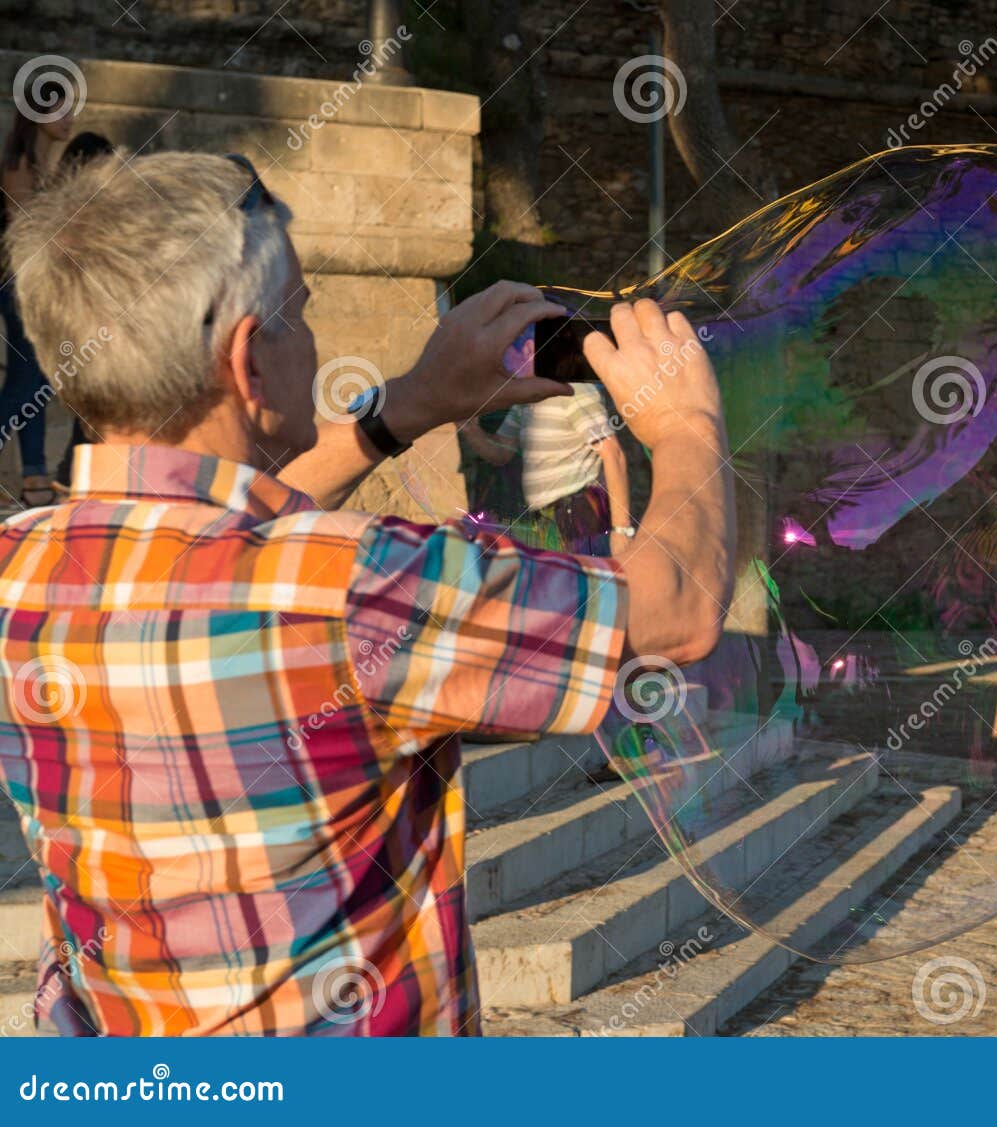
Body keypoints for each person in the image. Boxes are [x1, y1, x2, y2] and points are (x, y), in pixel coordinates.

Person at [0, 151, 734, 1036]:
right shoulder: (359, 587)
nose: (314, 337)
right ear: (249, 361)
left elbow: (210, 537)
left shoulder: (19, 568)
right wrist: (686, 426)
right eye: (302, 311)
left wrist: (412, 403)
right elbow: (676, 609)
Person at [0, 78, 77, 508]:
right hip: (18, 281)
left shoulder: (46, 167)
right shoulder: (18, 166)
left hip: (36, 280)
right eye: (59, 109)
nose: (69, 118)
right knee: (27, 381)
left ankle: (34, 478)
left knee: (34, 381)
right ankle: (34, 477)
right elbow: (27, 234)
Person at [457, 380, 632, 556]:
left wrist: (621, 530)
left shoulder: (574, 390)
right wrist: (470, 429)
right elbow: (501, 453)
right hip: (547, 522)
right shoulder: (526, 398)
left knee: (583, 573)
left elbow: (613, 454)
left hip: (580, 517)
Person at [43, 131, 118, 493]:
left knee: (92, 401)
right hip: (86, 318)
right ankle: (68, 472)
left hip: (73, 317)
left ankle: (69, 473)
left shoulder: (58, 208)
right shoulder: (85, 211)